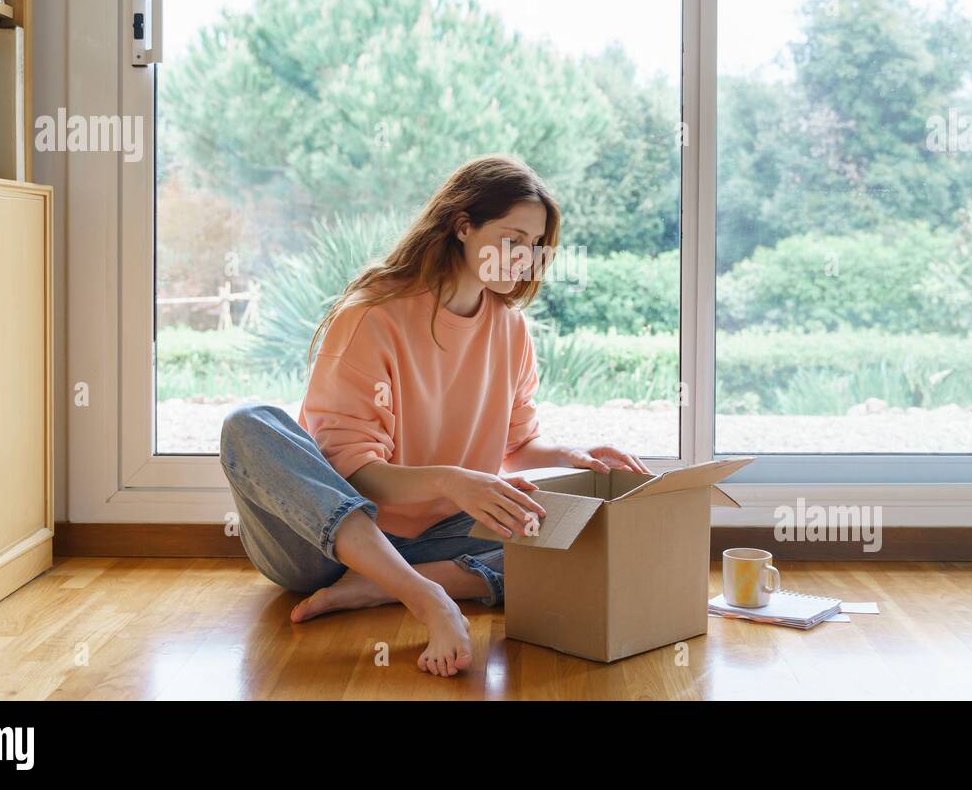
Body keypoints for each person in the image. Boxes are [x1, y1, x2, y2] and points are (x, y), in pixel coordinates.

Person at [219, 155, 650, 676]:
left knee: (579, 539)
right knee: (248, 422)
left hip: (444, 534)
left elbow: (518, 447)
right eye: (513, 239)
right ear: (462, 224)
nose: (524, 258)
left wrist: (573, 456)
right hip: (330, 545)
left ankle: (389, 585)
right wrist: (454, 481)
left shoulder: (511, 330)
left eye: (535, 246)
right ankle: (424, 594)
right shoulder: (372, 315)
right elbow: (352, 474)